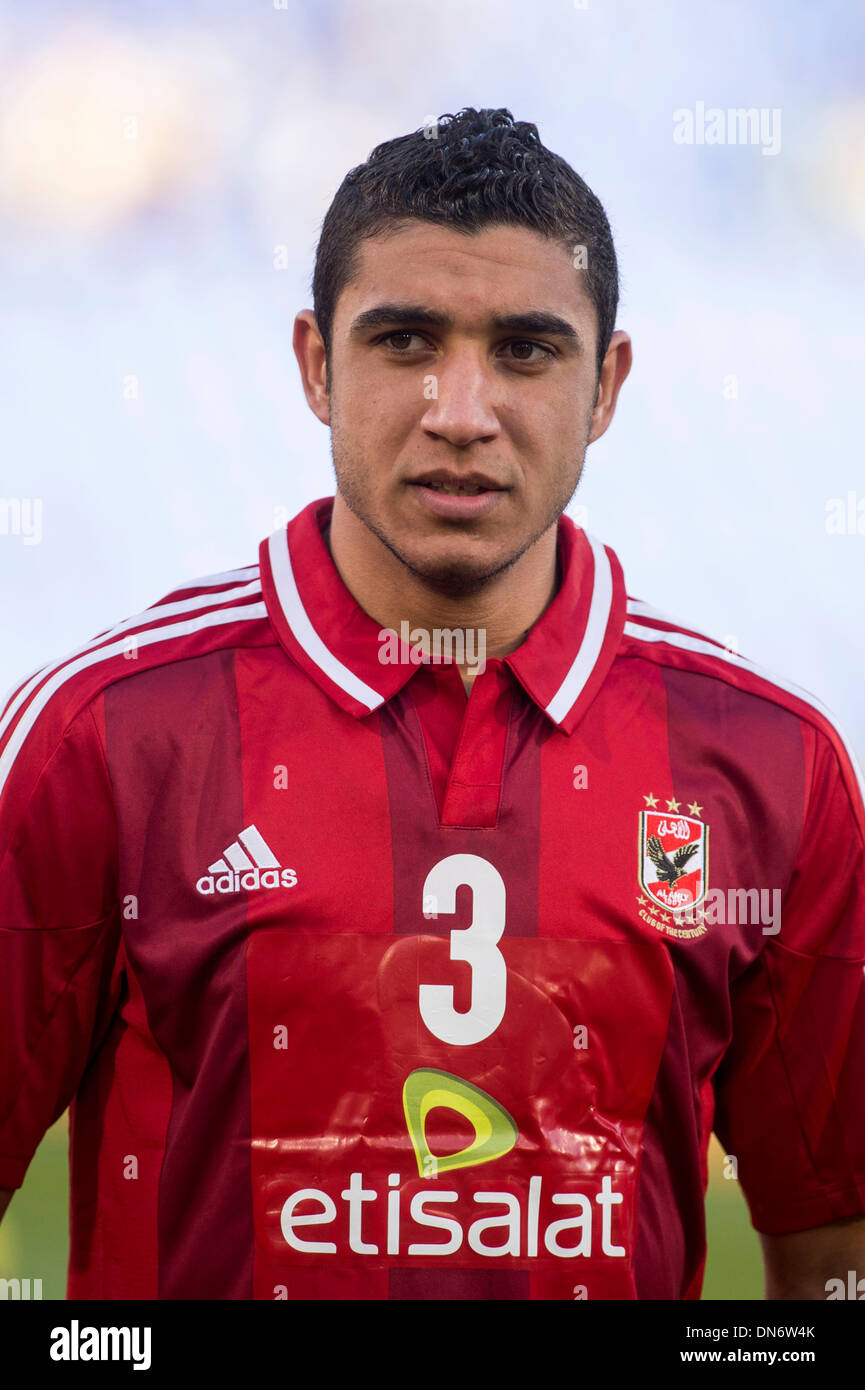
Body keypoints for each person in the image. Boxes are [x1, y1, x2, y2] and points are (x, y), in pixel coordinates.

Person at [1, 107, 863, 1301]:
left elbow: (833, 1257)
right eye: (405, 341)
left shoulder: (771, 765)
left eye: (525, 350)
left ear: (606, 384)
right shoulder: (103, 734)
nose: (460, 411)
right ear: (316, 365)